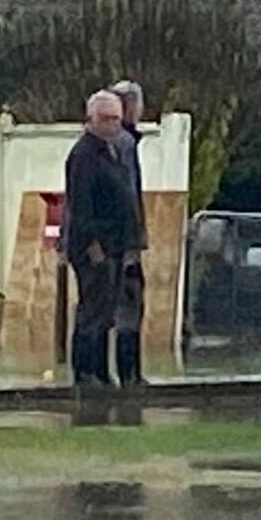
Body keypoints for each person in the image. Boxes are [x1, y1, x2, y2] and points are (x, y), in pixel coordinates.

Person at [62, 90, 141, 388]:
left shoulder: (115, 149)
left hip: (116, 243)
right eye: (105, 119)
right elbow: (80, 205)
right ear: (91, 119)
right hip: (93, 246)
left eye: (116, 120)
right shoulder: (83, 154)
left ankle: (100, 371)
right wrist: (91, 244)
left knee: (107, 312)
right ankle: (85, 372)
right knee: (92, 310)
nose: (111, 125)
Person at [110, 79, 150, 385]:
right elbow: (127, 196)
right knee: (129, 306)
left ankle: (128, 372)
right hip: (123, 243)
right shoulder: (124, 143)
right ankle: (129, 374)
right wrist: (132, 244)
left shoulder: (119, 142)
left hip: (119, 240)